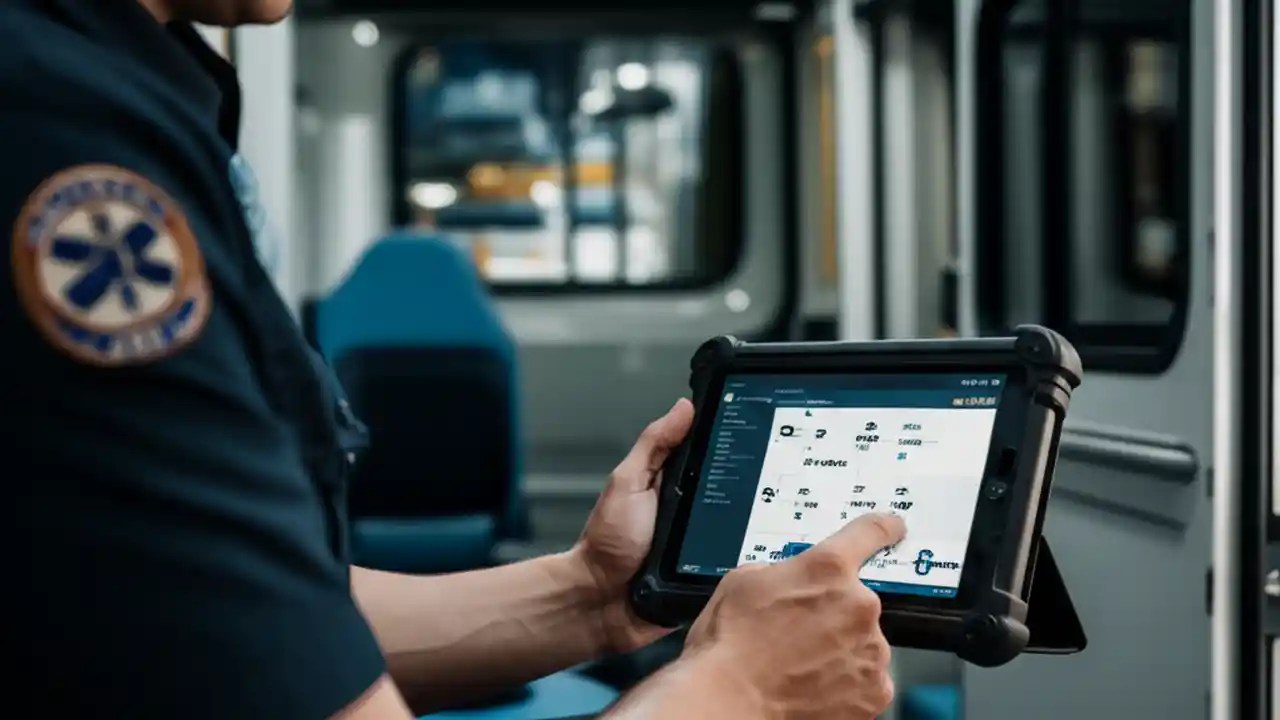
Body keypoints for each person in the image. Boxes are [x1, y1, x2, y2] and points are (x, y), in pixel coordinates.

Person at [4, 1, 906, 718]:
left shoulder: (110, 86)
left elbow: (233, 628)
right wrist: (737, 694)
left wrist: (597, 594)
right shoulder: (55, 127)